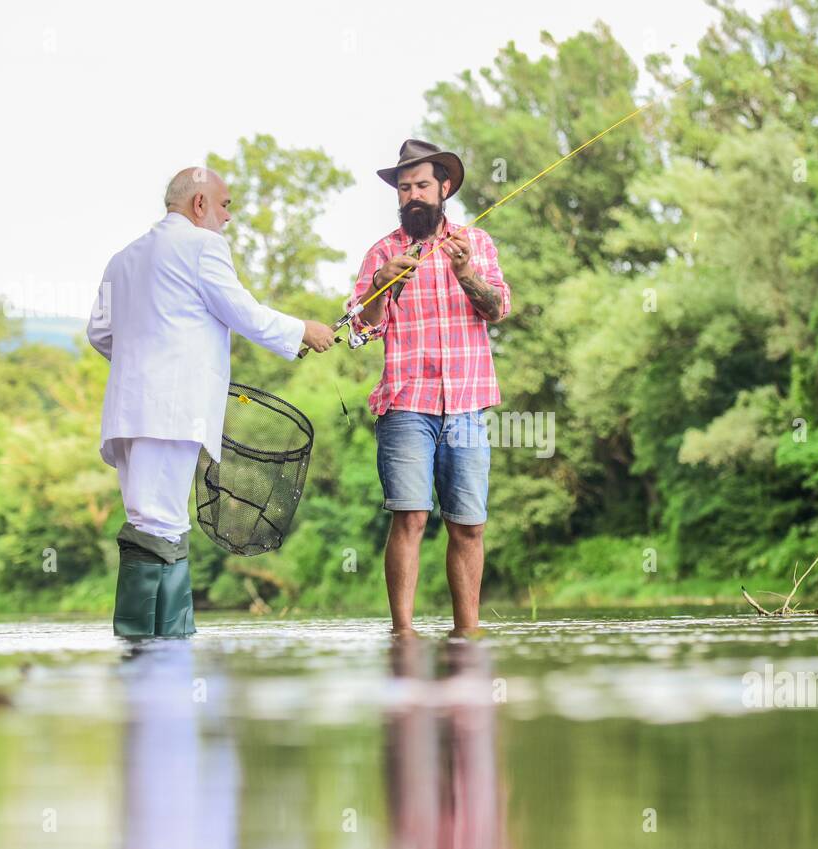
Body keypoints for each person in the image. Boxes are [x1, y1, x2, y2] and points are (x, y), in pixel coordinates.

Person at [87, 167, 335, 636]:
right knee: (159, 522)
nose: (228, 217)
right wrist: (303, 330)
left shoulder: (121, 259)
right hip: (171, 413)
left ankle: (155, 645)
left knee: (151, 518)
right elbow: (242, 311)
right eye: (225, 205)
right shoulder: (203, 246)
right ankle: (161, 643)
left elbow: (99, 333)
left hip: (127, 413)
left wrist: (142, 367)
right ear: (199, 204)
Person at [346, 140, 512, 634]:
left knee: (470, 525)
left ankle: (467, 634)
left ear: (444, 188)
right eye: (404, 188)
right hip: (405, 405)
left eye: (421, 185)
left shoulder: (475, 243)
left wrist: (466, 273)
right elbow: (360, 330)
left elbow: (498, 309)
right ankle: (403, 634)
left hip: (467, 404)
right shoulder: (381, 253)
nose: (412, 195)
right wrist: (380, 287)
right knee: (411, 518)